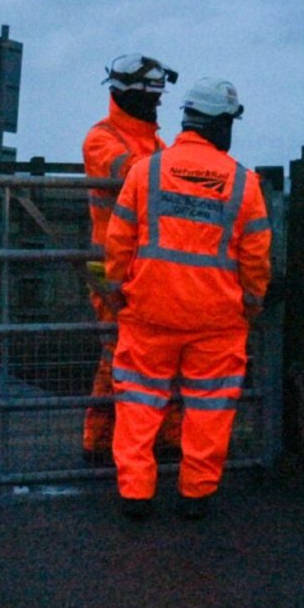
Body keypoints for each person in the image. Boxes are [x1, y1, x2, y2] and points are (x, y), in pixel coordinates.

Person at [102, 77, 271, 520]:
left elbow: (118, 239)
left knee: (139, 402)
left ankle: (136, 493)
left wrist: (118, 289)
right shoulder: (244, 183)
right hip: (217, 317)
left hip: (149, 309)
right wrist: (252, 301)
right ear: (221, 123)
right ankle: (196, 493)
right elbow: (255, 256)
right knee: (209, 407)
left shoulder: (147, 170)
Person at [81, 54, 183, 463]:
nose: (156, 106)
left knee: (161, 355)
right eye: (151, 97)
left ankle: (164, 439)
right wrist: (195, 168)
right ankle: (99, 442)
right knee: (117, 356)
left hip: (151, 266)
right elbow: (140, 175)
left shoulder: (155, 143)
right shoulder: (102, 138)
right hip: (112, 268)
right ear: (126, 94)